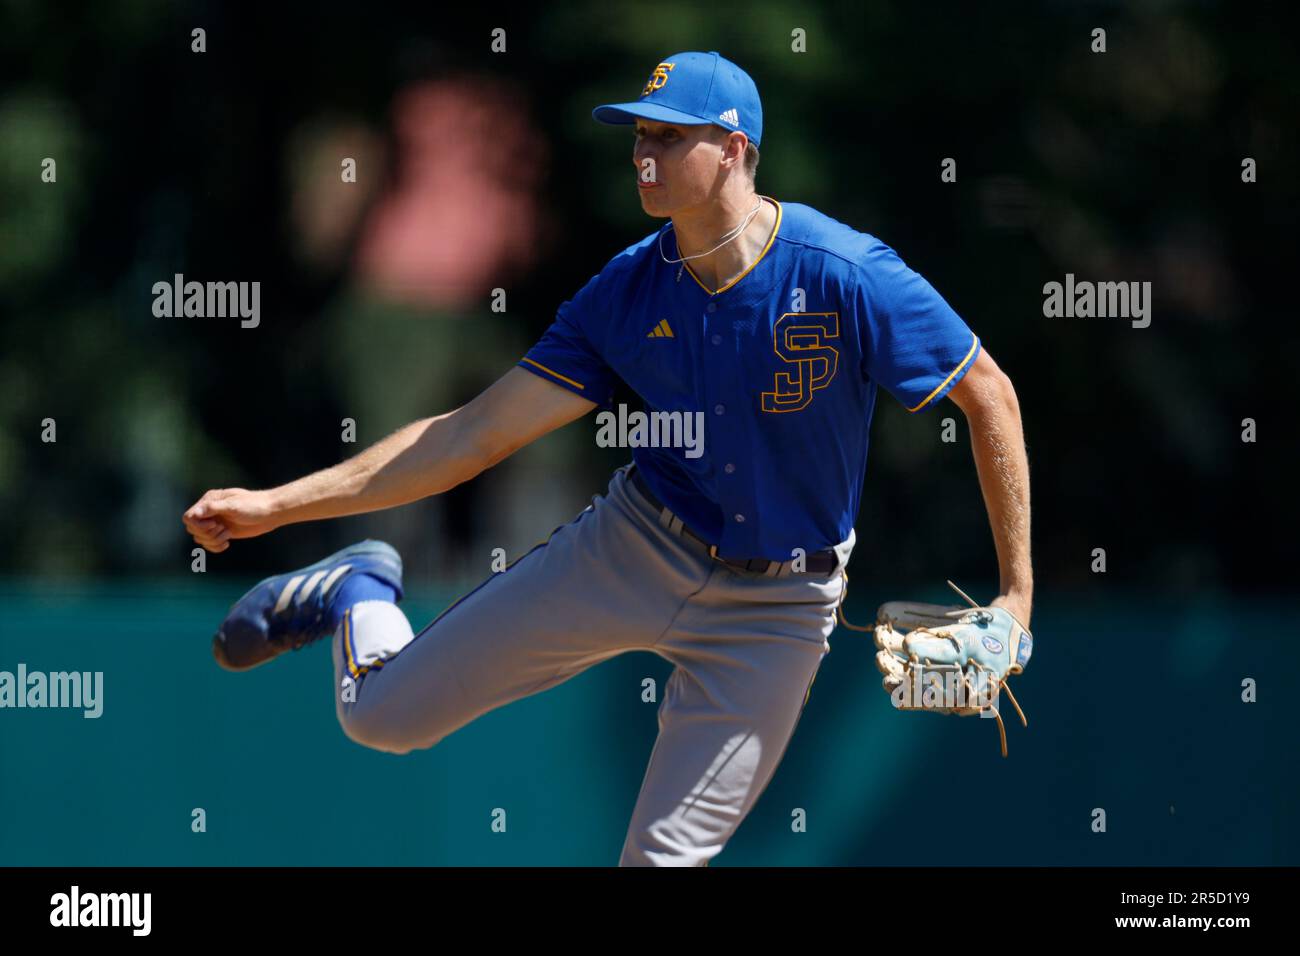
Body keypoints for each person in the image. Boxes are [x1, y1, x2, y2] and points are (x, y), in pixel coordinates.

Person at [183, 50, 1033, 866]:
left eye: (668, 135)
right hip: (638, 547)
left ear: (734, 148)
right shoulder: (624, 293)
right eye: (638, 134)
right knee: (382, 715)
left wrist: (1017, 600)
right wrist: (277, 505)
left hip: (779, 606)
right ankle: (359, 587)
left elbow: (988, 392)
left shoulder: (844, 274)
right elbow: (470, 434)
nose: (643, 152)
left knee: (661, 862)